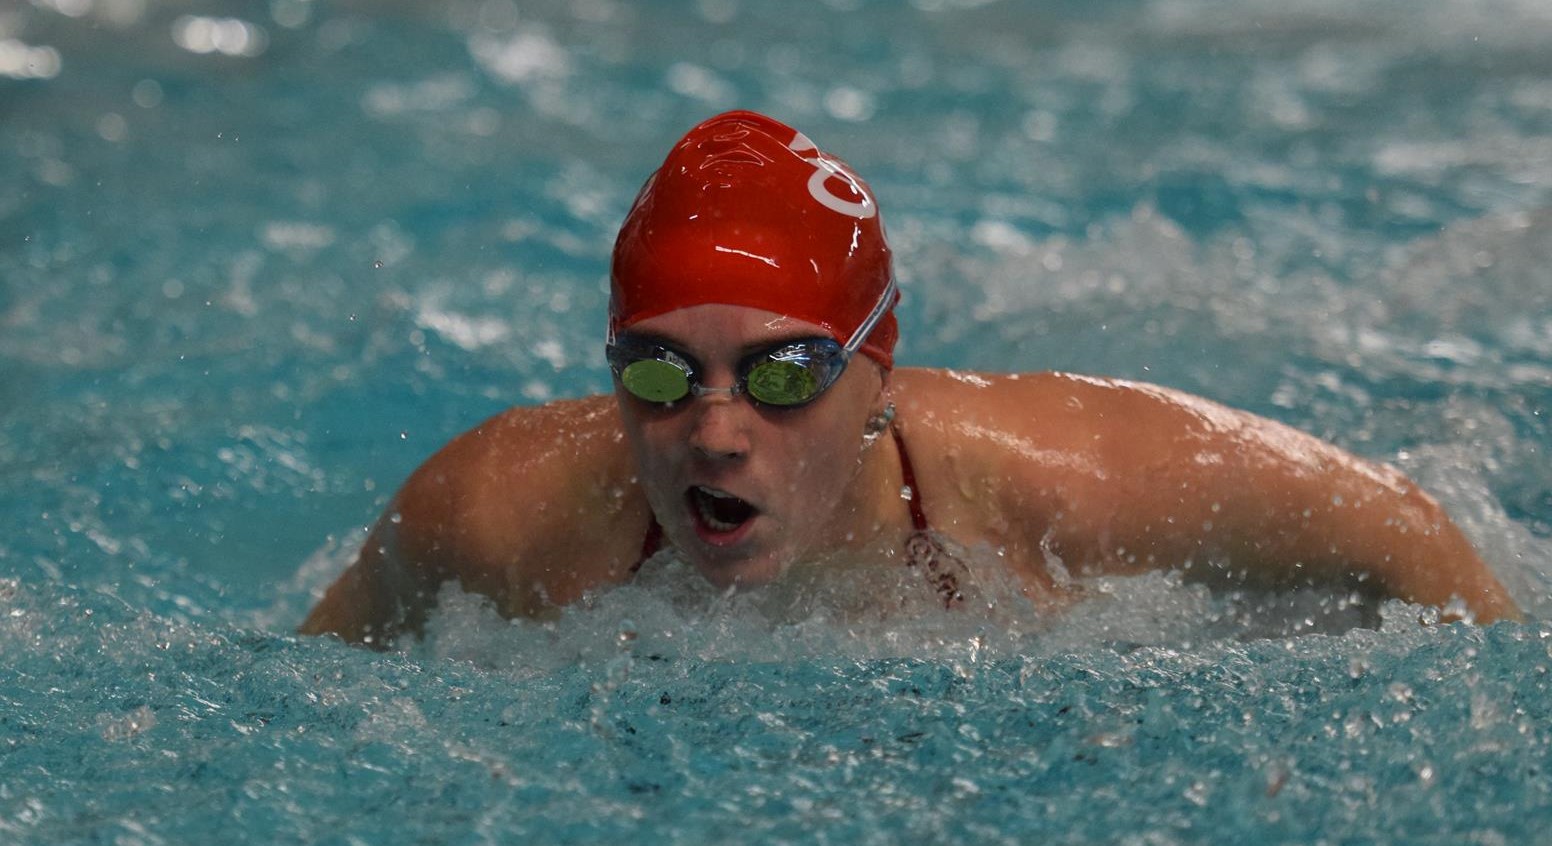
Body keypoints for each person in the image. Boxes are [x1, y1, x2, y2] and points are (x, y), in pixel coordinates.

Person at [300, 110, 1521, 646]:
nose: (714, 432)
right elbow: (312, 679)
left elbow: (1403, 528)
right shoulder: (496, 513)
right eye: (661, 374)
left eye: (783, 375)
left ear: (875, 375)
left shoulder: (1073, 484)